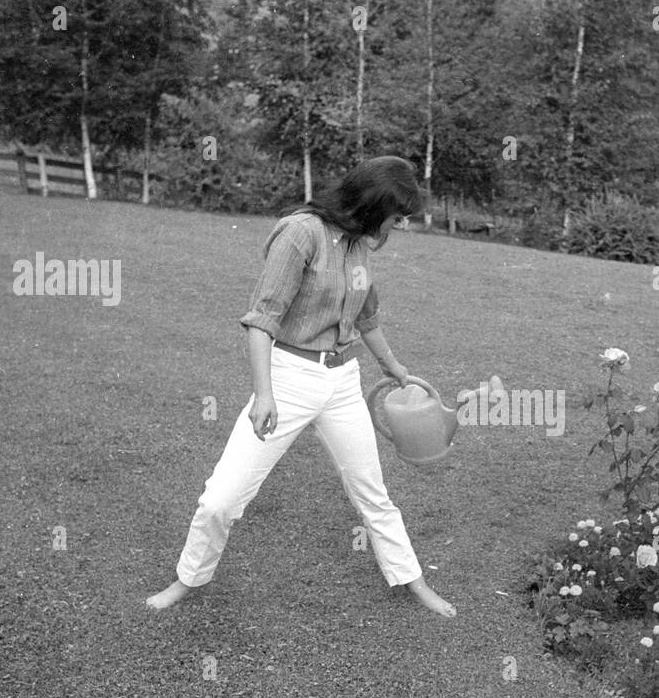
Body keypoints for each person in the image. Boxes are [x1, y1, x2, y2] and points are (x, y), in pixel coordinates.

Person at [146, 155, 455, 618]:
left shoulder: (359, 244)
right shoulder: (300, 233)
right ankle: (187, 579)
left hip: (343, 382)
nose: (401, 224)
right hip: (288, 379)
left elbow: (365, 315)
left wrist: (394, 366)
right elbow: (261, 320)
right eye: (398, 215)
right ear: (372, 205)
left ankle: (413, 580)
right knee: (221, 500)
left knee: (372, 491)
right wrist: (265, 393)